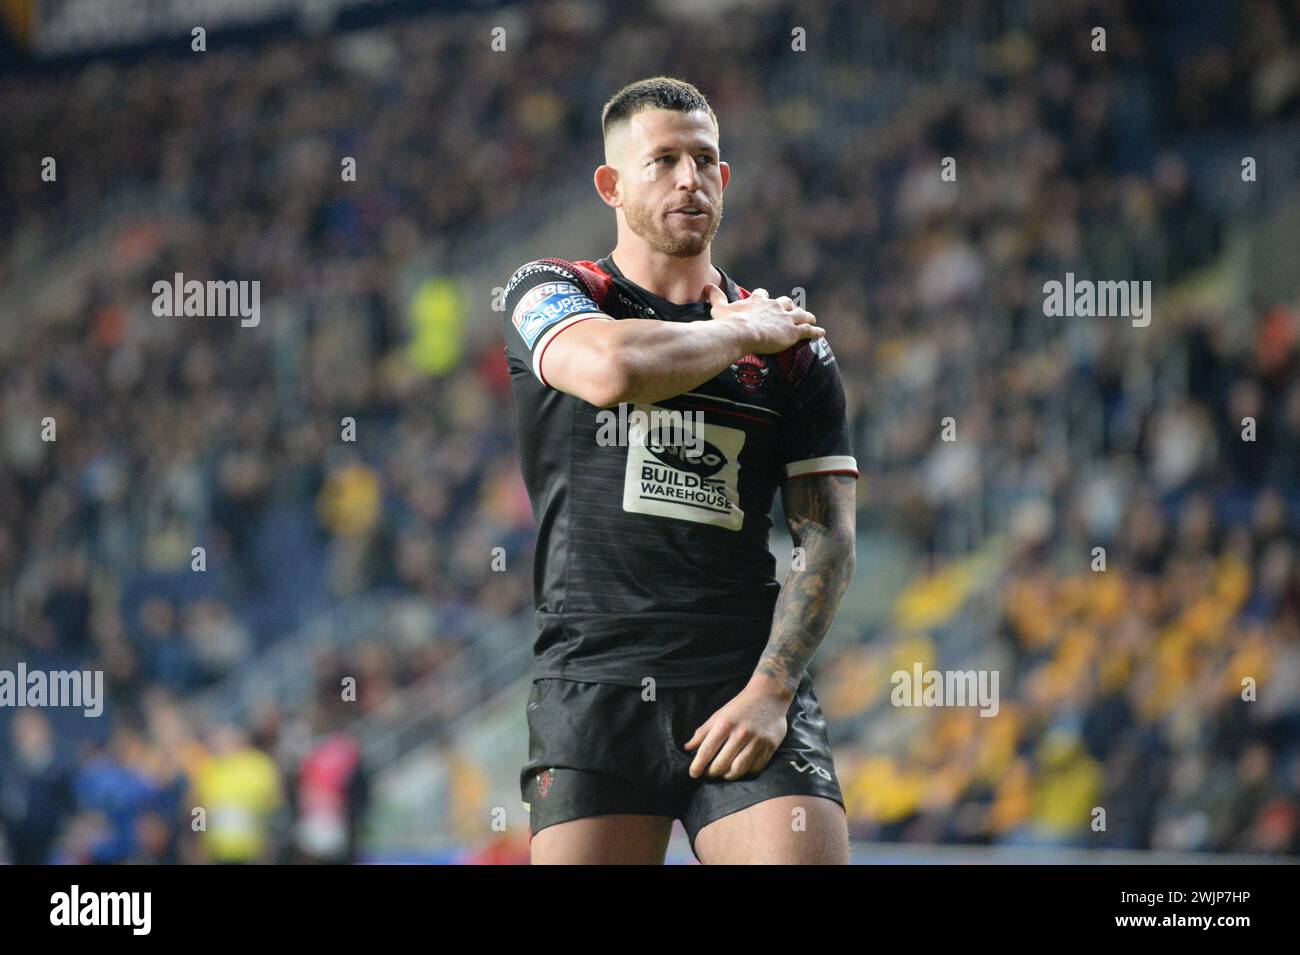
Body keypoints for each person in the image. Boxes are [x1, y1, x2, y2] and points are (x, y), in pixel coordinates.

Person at [500, 77, 858, 864]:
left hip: (741, 682)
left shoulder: (792, 350)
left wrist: (772, 690)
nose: (688, 179)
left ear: (725, 179)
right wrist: (736, 334)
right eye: (662, 160)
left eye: (704, 160)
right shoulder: (552, 290)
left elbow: (827, 537)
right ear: (612, 183)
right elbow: (609, 371)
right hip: (592, 685)